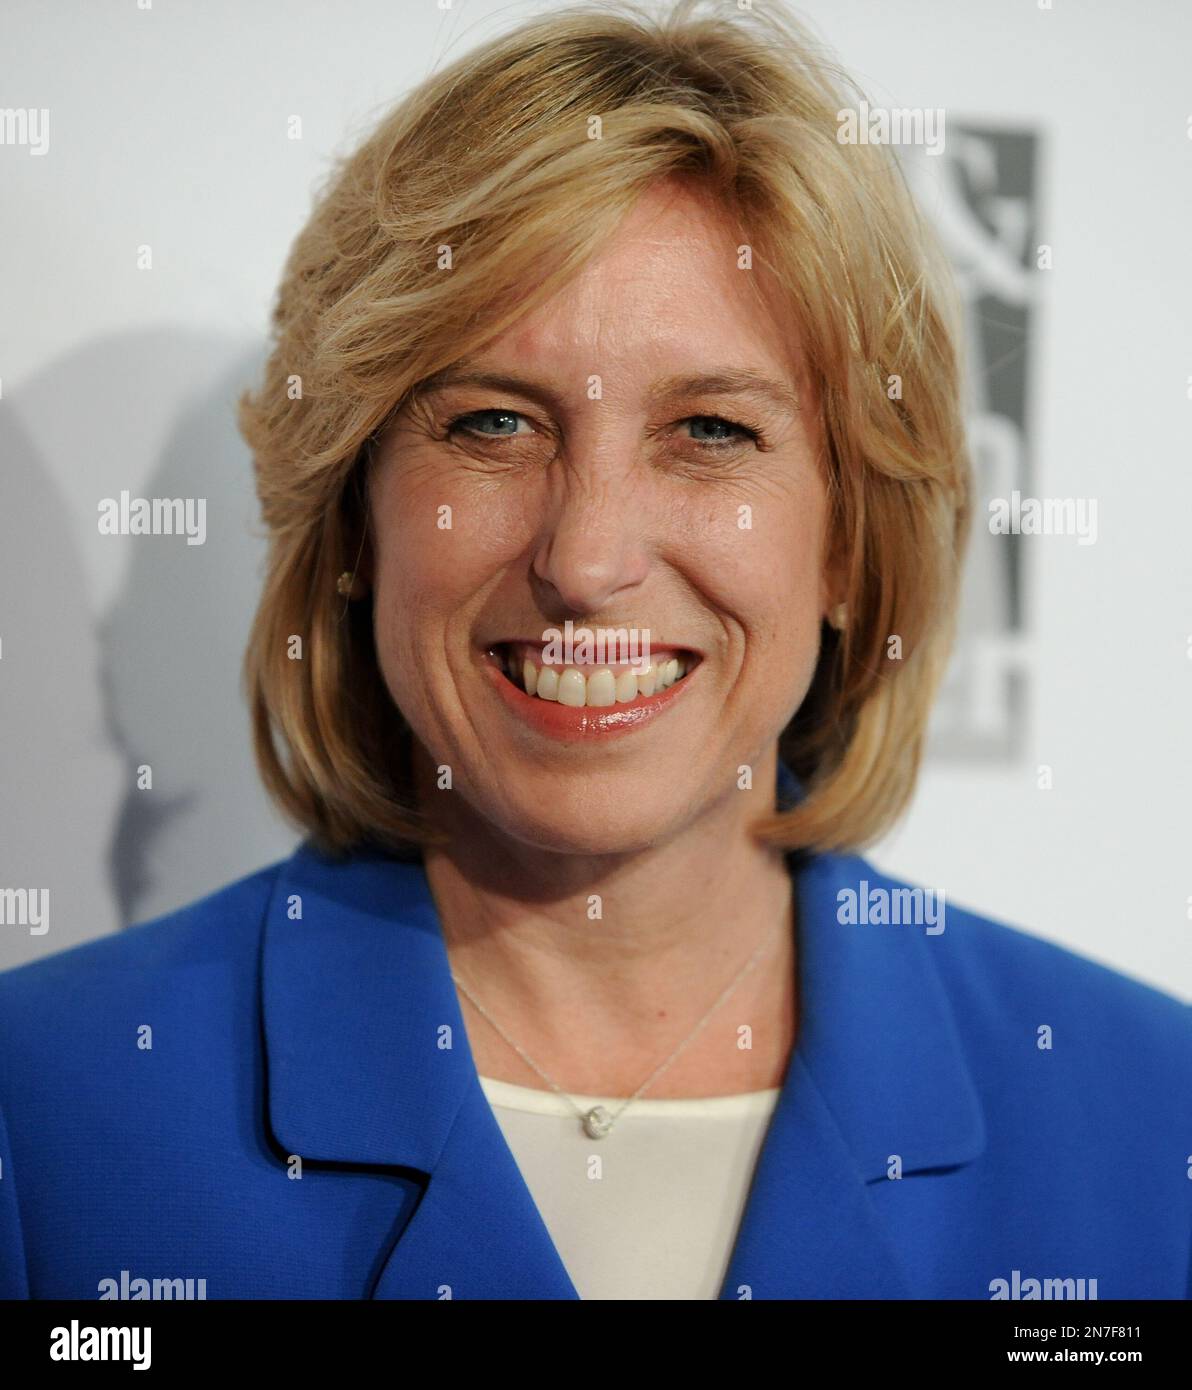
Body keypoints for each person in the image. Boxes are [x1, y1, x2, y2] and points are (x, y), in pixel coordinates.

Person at [1, 0, 1188, 1301]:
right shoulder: (43, 1117)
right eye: (496, 423)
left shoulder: (1147, 1116)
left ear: (852, 543)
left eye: (711, 433)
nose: (586, 556)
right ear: (353, 519)